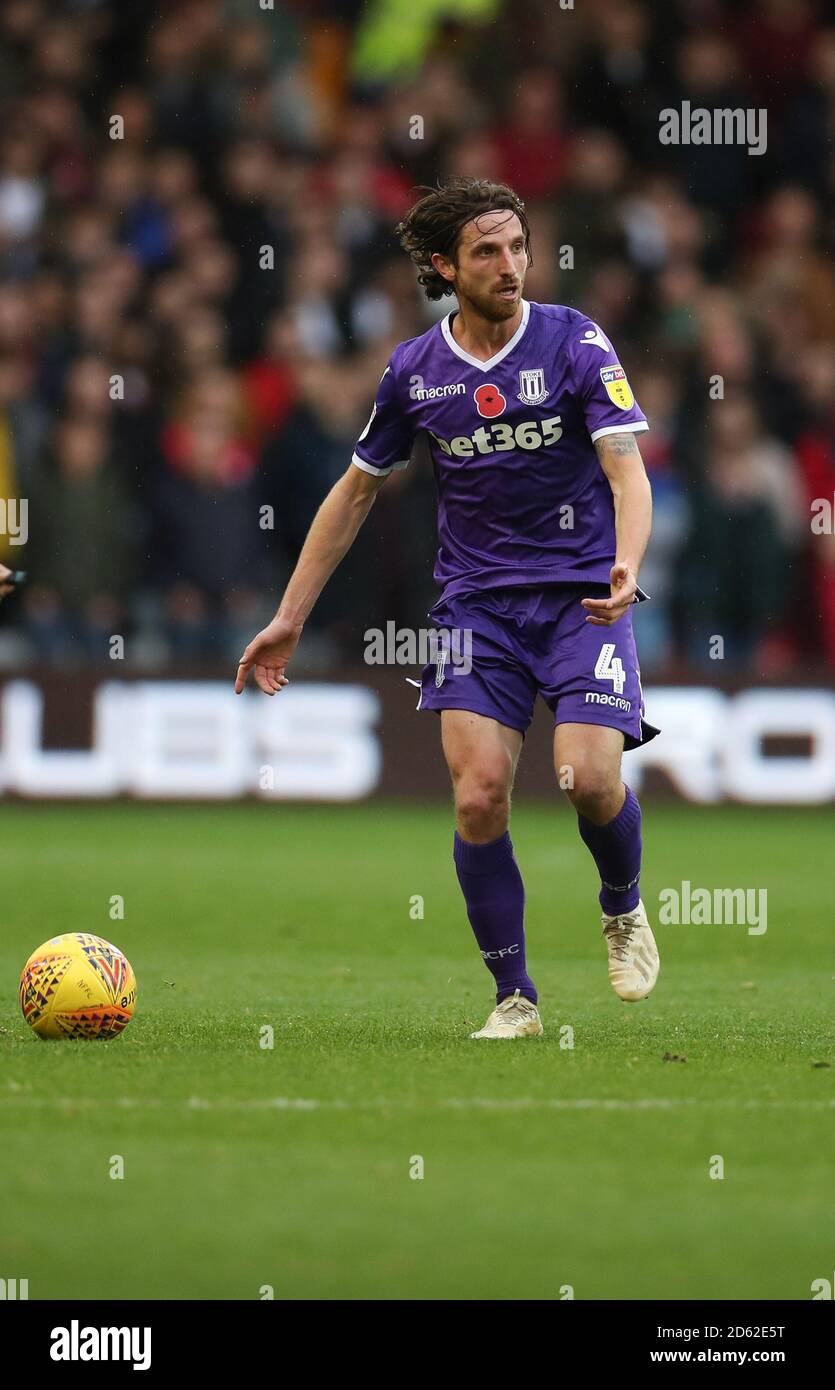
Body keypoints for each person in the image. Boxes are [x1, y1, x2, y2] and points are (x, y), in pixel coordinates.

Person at [235, 177, 660, 1039]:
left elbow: (625, 467)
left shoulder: (574, 340)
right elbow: (353, 494)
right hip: (476, 609)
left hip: (583, 599)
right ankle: (514, 1000)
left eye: (517, 246)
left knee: (586, 780)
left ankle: (621, 905)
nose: (510, 266)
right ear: (442, 267)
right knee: (476, 798)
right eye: (486, 252)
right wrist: (290, 615)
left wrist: (624, 561)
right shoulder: (414, 372)